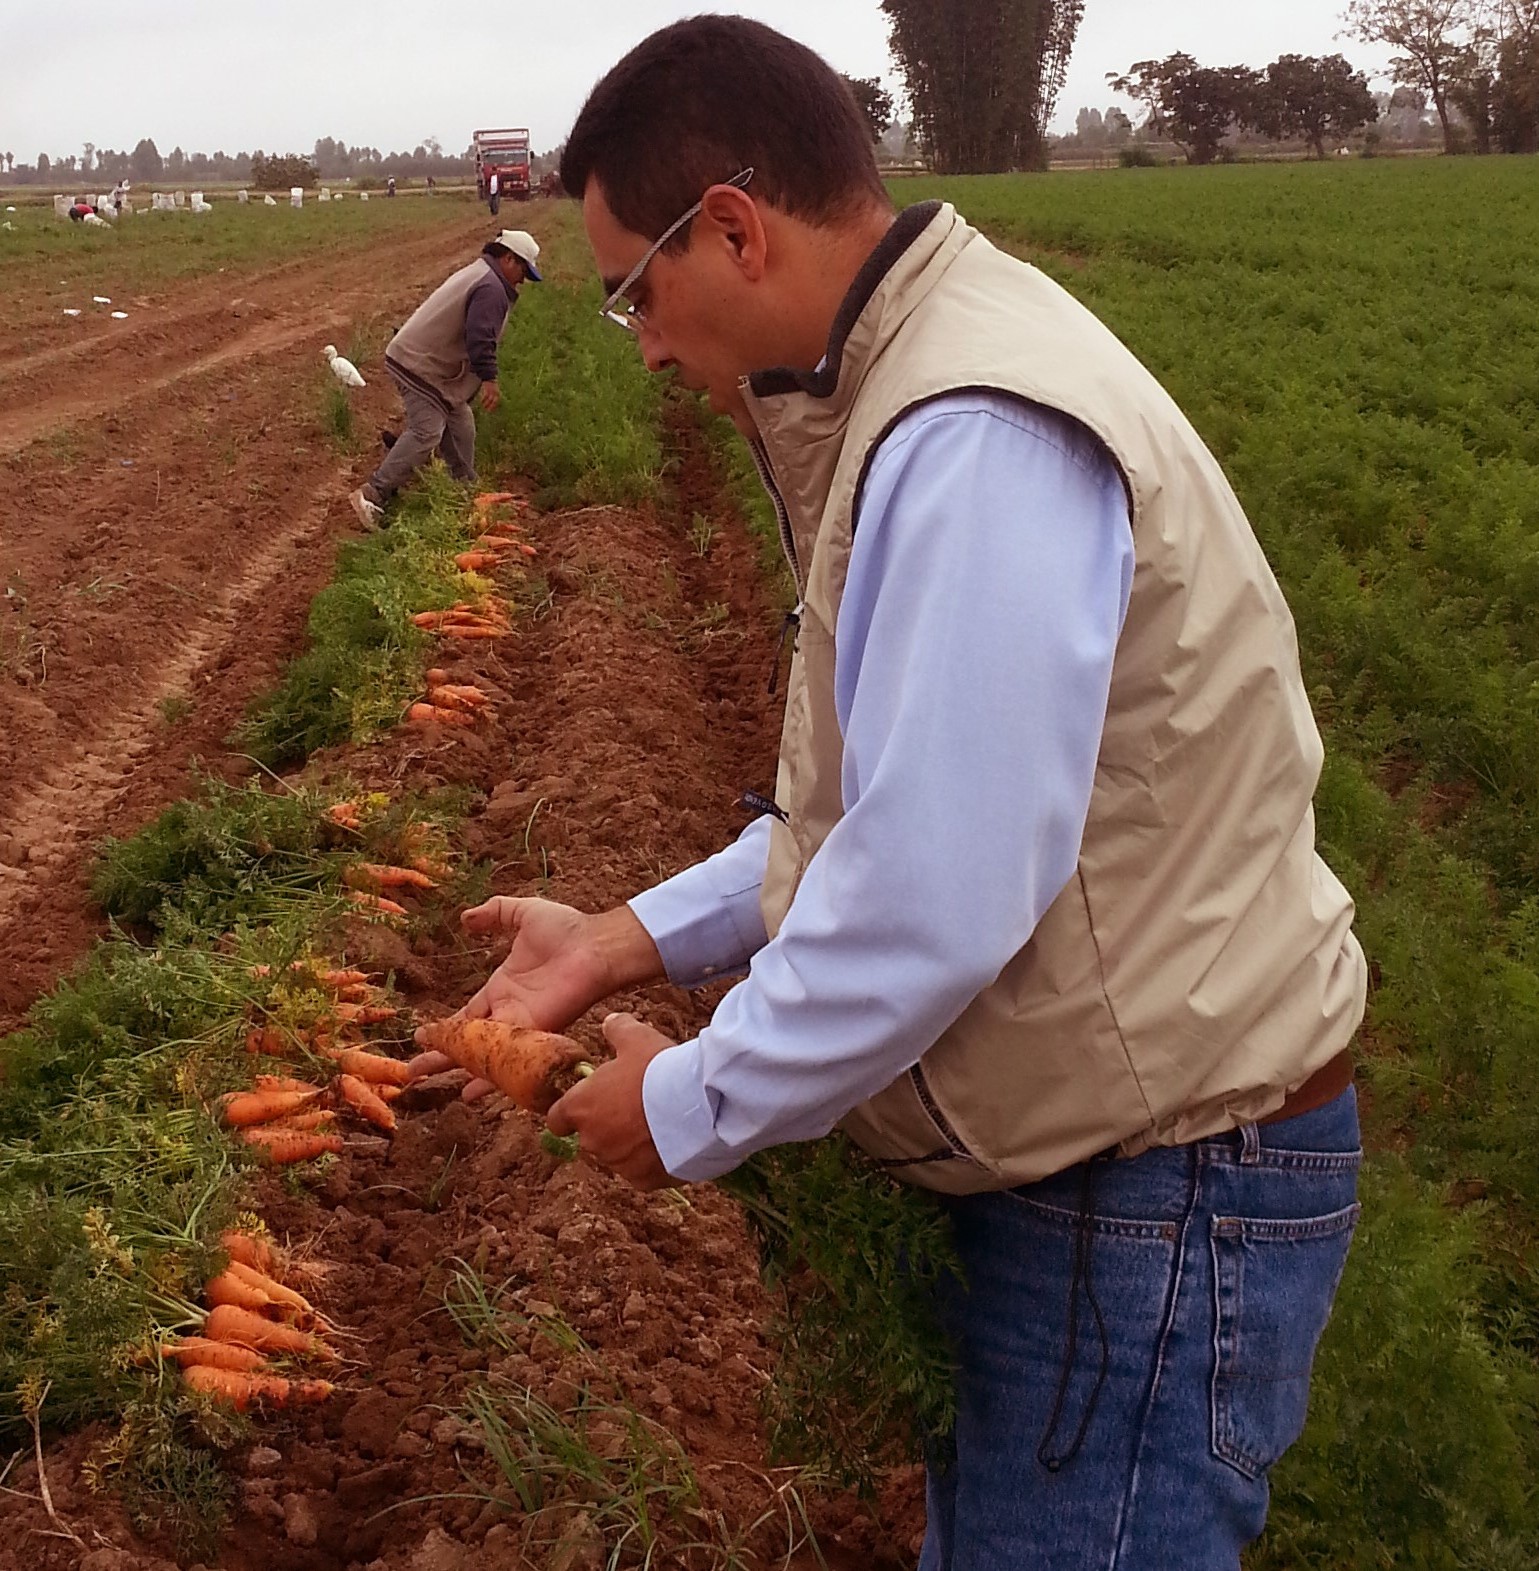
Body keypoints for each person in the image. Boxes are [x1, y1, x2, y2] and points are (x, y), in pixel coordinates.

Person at [422, 18, 1366, 1570]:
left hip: (1147, 1192)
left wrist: (684, 1103)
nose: (640, 342)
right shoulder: (918, 379)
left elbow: (932, 883)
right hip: (1096, 1170)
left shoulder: (968, 427)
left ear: (730, 225)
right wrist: (618, 939)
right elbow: (886, 802)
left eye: (632, 292)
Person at [349, 230, 541, 527]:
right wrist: (489, 379)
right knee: (427, 431)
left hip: (433, 368)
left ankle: (463, 492)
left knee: (461, 423)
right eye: (523, 271)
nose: (522, 280)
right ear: (508, 258)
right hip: (422, 366)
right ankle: (375, 492)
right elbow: (480, 338)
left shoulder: (482, 274)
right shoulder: (491, 287)